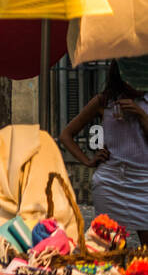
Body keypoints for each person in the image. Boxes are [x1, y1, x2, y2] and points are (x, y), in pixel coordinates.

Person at [60, 60, 148, 246]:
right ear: (122, 76)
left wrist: (141, 115)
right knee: (108, 246)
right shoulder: (104, 101)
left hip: (144, 182)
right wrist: (88, 160)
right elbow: (66, 135)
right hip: (110, 182)